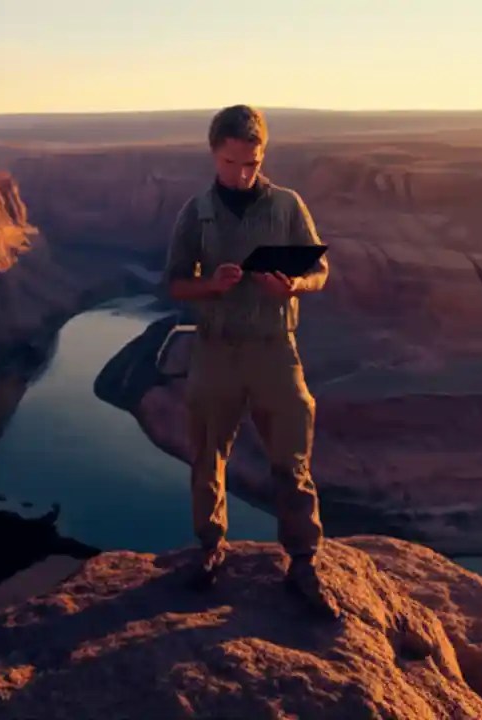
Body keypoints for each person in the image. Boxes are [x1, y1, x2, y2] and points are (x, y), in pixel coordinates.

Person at [162, 104, 339, 619]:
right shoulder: (195, 212)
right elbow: (174, 283)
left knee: (292, 460)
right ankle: (210, 549)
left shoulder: (286, 206)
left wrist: (295, 284)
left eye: (251, 163)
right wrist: (209, 286)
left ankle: (303, 561)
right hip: (216, 349)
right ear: (214, 154)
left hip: (274, 350)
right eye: (231, 163)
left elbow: (319, 270)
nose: (241, 174)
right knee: (207, 457)